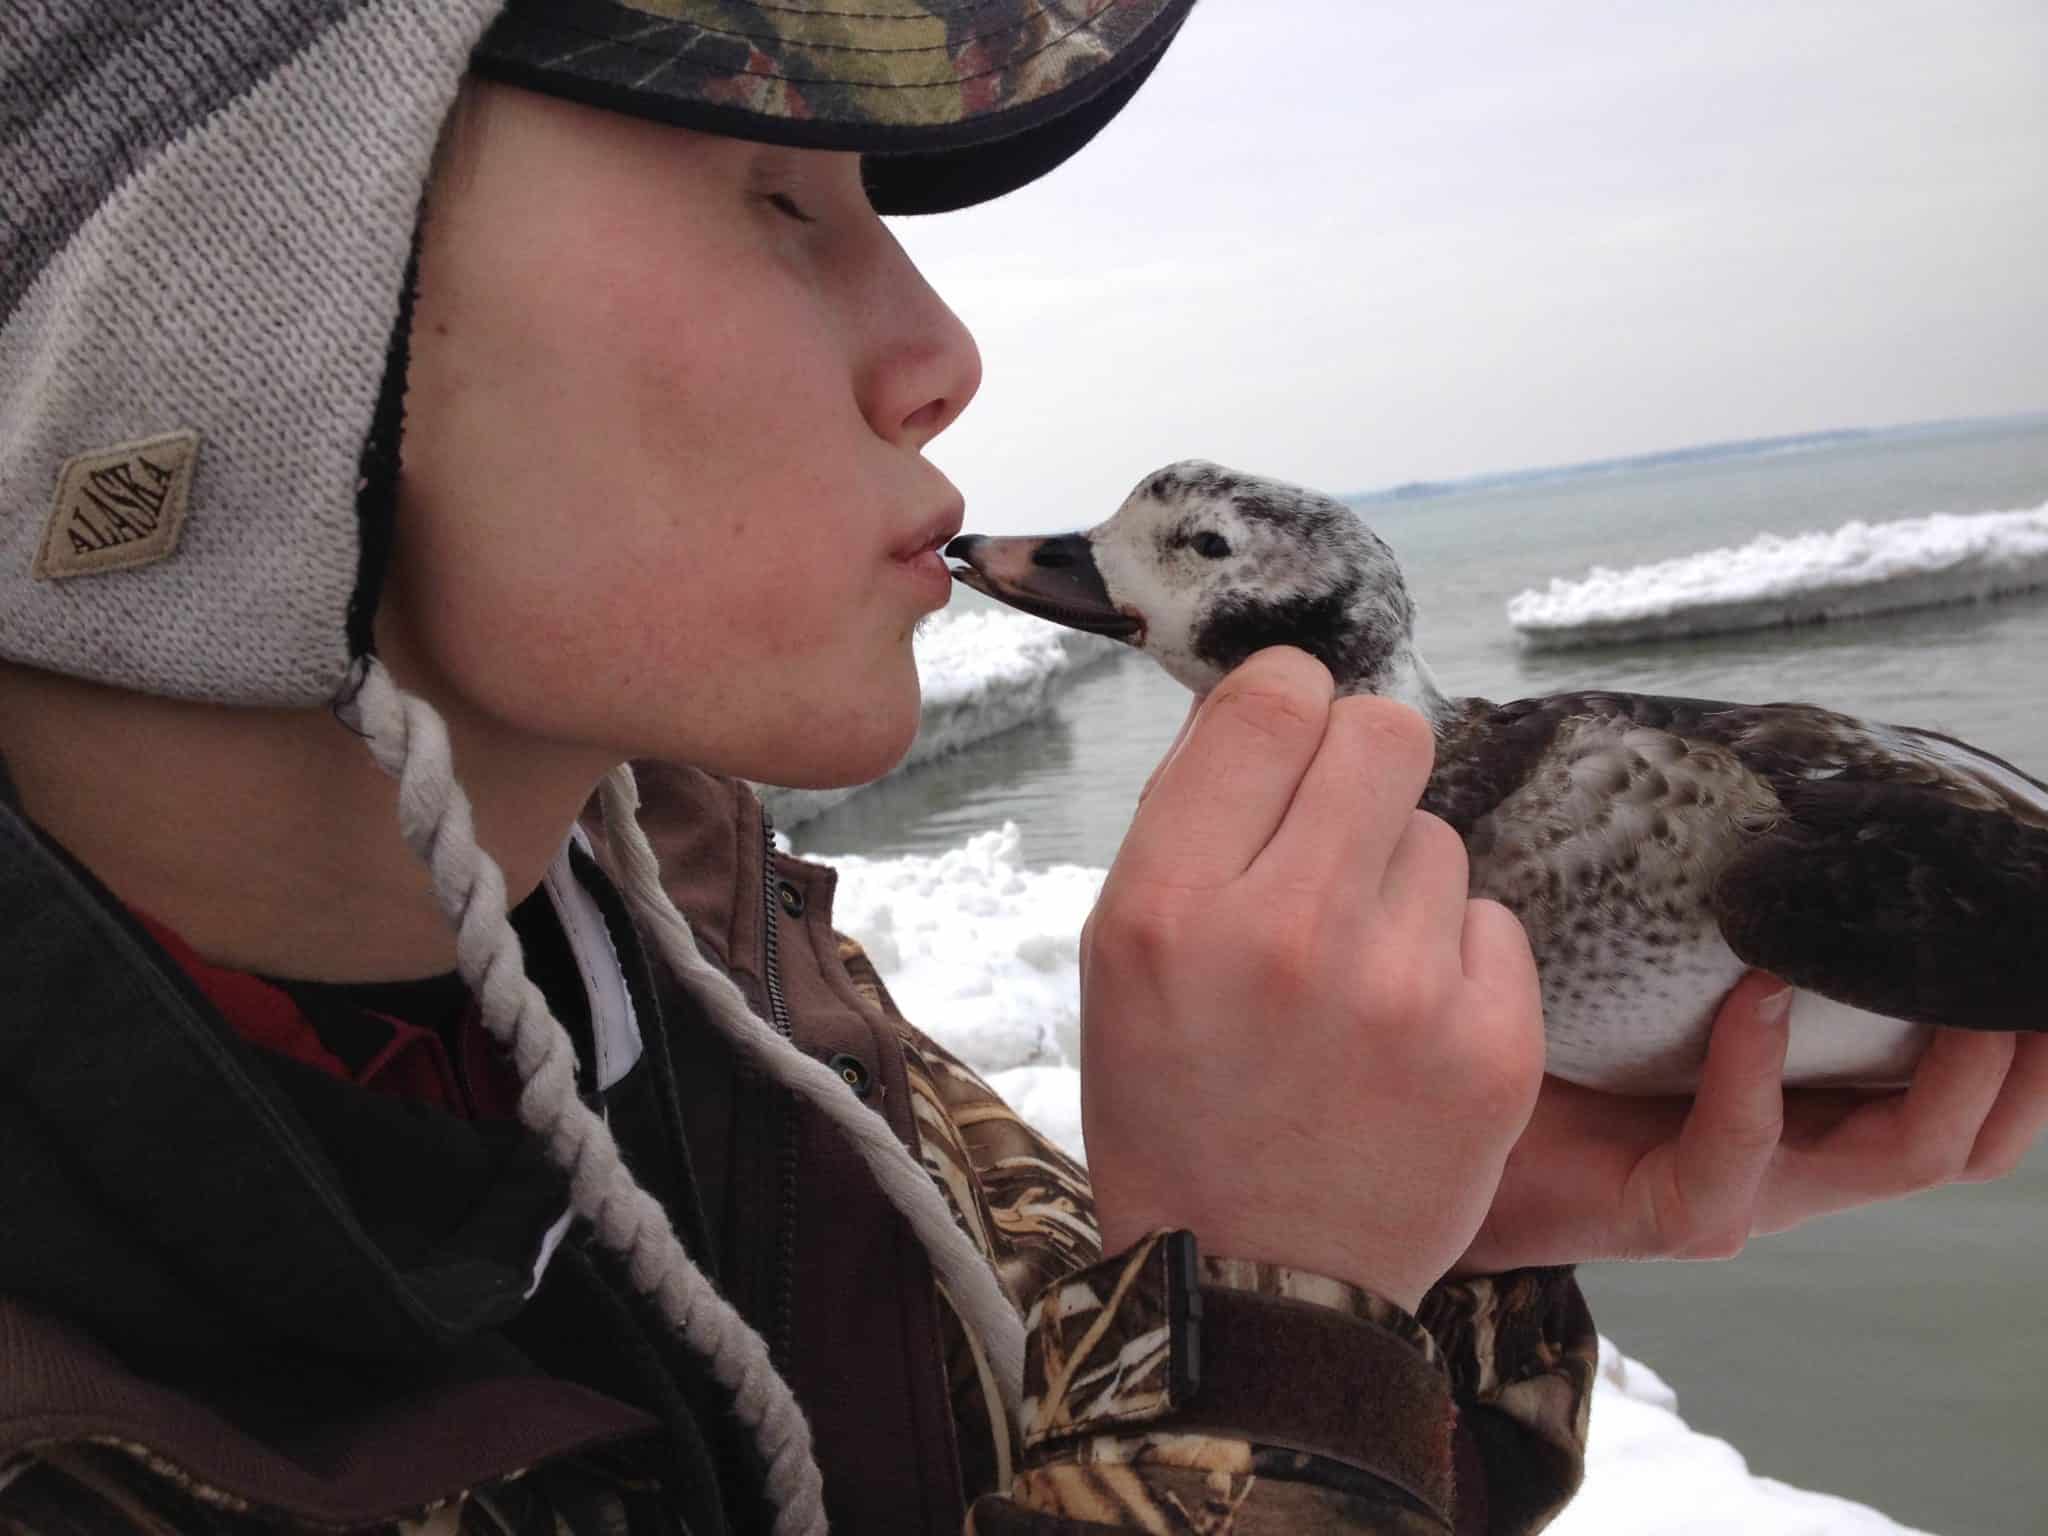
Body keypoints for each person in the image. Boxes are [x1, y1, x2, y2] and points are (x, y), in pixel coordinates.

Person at [3, 3, 2042, 1533]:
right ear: (213, 333)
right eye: (779, 197)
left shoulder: (740, 978)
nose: (942, 347)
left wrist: (1420, 1260)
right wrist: (1277, 1328)